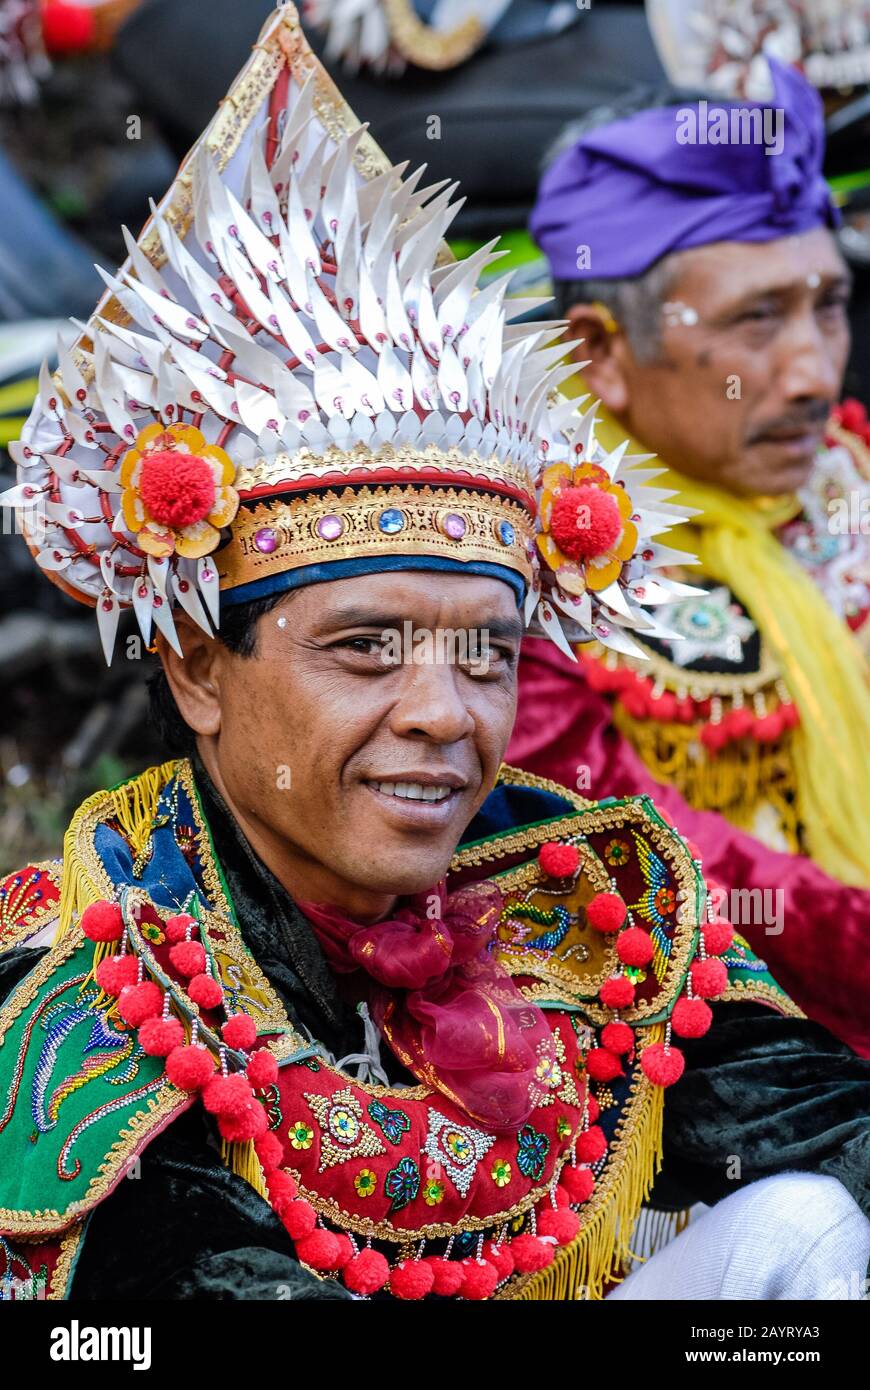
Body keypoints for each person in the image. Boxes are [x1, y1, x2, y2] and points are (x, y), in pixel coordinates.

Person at [0, 6, 868, 1303]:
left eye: (485, 654)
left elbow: (816, 1119)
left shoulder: (586, 892)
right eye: (365, 649)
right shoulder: (80, 978)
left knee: (802, 1219)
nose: (444, 715)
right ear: (194, 666)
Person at [509, 59, 870, 1056]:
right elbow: (633, 846)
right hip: (706, 1066)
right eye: (756, 318)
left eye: (829, 305)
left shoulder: (847, 468)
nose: (811, 370)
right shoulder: (515, 566)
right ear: (601, 353)